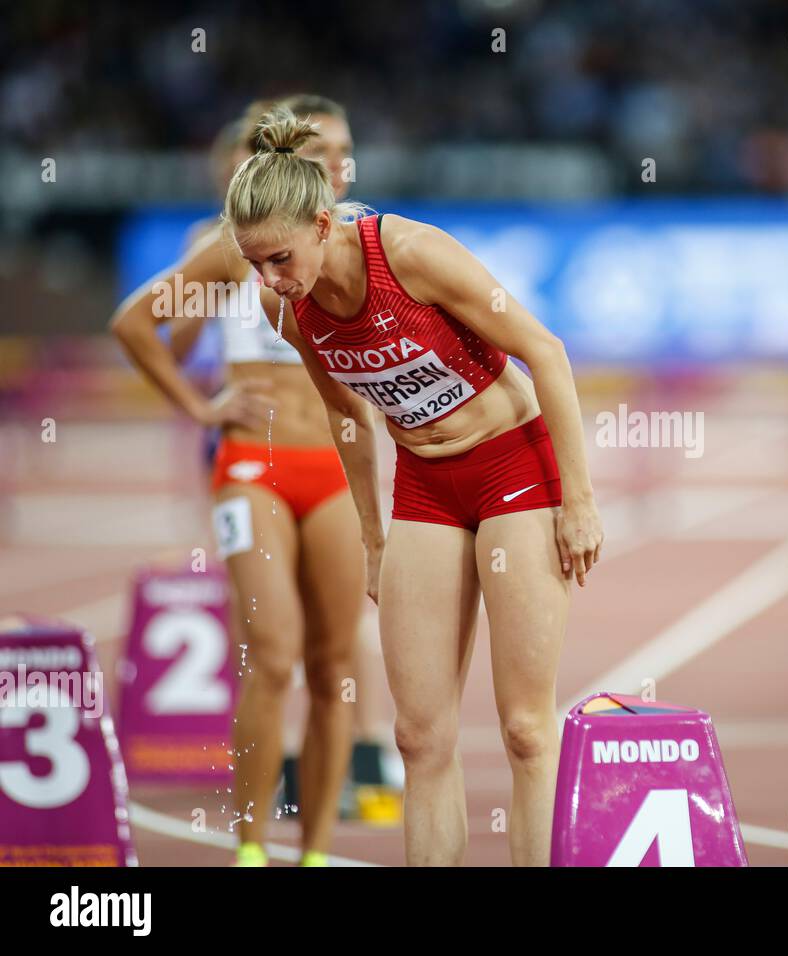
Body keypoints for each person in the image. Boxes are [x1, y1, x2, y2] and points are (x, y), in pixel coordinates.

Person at [225, 105, 604, 866]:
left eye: (279, 258)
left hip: (513, 470)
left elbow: (547, 352)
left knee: (528, 728)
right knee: (419, 735)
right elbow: (347, 418)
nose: (270, 280)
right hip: (426, 485)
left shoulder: (412, 255)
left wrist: (578, 499)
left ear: (324, 224)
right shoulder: (287, 308)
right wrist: (373, 537)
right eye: (254, 263)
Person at [110, 96, 363, 867]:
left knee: (333, 667)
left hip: (335, 472)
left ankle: (316, 849)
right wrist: (200, 404)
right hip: (253, 463)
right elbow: (136, 322)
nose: (338, 164)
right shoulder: (234, 244)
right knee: (272, 653)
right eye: (324, 151)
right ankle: (251, 848)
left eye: (346, 152)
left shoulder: (361, 240)